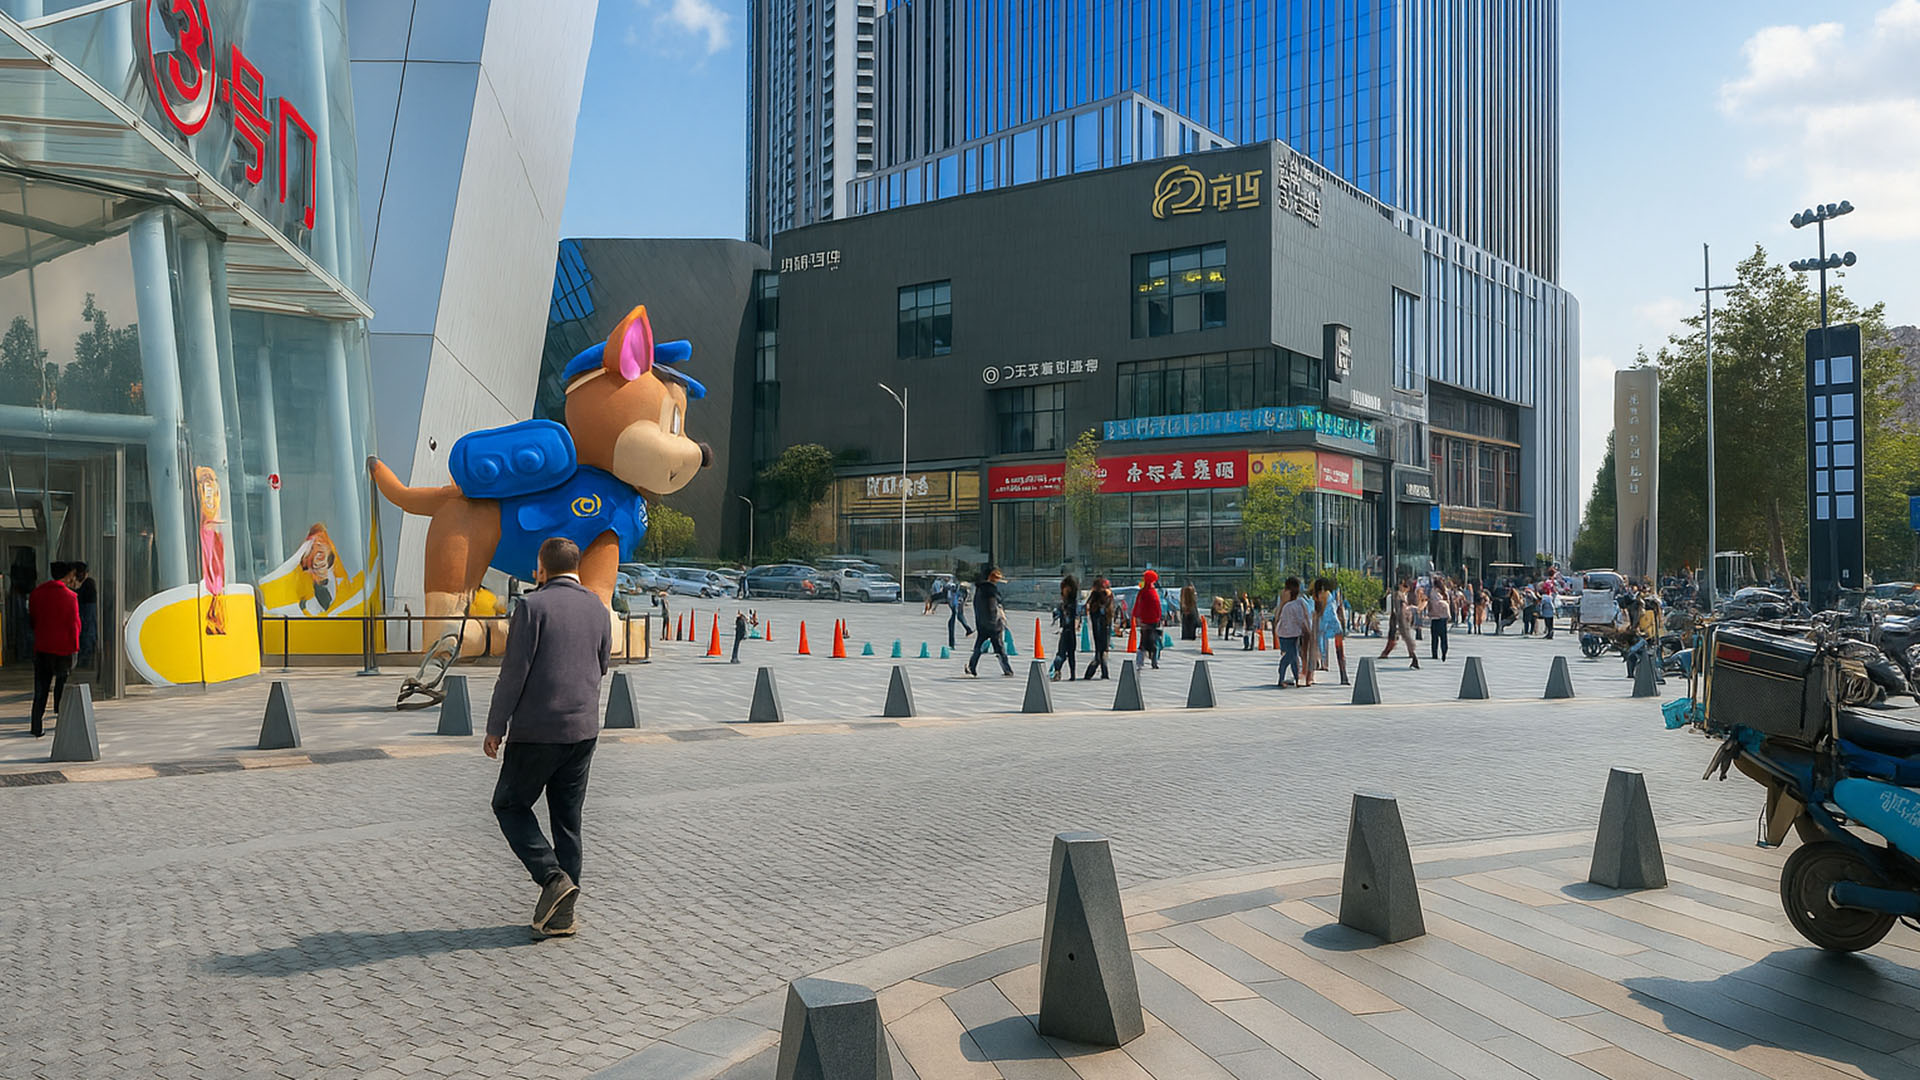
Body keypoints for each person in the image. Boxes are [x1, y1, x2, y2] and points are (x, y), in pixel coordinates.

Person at [484, 537, 611, 939]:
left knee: (509, 804)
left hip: (538, 730)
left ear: (541, 568)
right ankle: (563, 916)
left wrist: (495, 726)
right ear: (576, 567)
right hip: (583, 729)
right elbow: (602, 663)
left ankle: (552, 877)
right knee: (568, 820)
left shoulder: (532, 607)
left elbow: (513, 673)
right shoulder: (597, 607)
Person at [28, 562, 80, 738]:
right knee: (61, 685)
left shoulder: (37, 593)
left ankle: (36, 725)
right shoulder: (70, 597)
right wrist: (75, 647)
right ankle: (61, 719)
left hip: (42, 647)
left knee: (41, 689)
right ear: (68, 575)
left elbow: (33, 618)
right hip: (64, 648)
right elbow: (74, 625)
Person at [966, 566, 1013, 677]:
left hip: (981, 623)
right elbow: (996, 604)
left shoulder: (979, 589)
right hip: (994, 624)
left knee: (978, 647)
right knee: (1000, 648)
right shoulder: (991, 590)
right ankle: (1008, 670)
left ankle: (972, 667)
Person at [1274, 577, 1310, 687]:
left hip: (1293, 634)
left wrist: (1306, 629)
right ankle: (1282, 678)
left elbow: (1303, 617)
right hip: (1286, 634)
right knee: (1291, 656)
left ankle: (1296, 678)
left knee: (1293, 657)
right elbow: (1278, 618)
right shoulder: (1288, 604)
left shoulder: (1298, 603)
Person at [1378, 579, 1421, 668]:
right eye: (1405, 587)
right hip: (1399, 618)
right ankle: (1388, 652)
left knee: (1403, 637)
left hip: (1400, 619)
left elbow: (1399, 609)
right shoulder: (1398, 595)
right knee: (1400, 636)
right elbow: (1398, 608)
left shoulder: (1400, 595)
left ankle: (1413, 655)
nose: (1407, 589)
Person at [1316, 578, 1350, 685]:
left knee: (1321, 645)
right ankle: (1343, 674)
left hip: (1324, 624)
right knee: (1340, 652)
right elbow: (1338, 610)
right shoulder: (1330, 595)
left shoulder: (1319, 596)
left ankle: (1322, 664)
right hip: (1335, 624)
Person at [1050, 575, 1079, 681]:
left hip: (1067, 631)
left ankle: (1058, 671)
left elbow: (1068, 617)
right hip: (1070, 631)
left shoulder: (1067, 604)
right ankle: (1072, 674)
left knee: (1062, 653)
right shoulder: (1071, 602)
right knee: (1070, 654)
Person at [1132, 570, 1163, 670]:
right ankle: (1154, 661)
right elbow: (1158, 607)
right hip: (1153, 620)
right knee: (1152, 641)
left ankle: (1140, 661)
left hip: (1144, 620)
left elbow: (1138, 605)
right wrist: (1159, 618)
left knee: (1143, 641)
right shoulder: (1153, 592)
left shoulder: (1142, 592)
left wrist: (1136, 617)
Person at [1084, 578, 1113, 679]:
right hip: (1105, 626)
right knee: (1103, 651)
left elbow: (1088, 607)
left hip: (1098, 627)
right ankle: (1100, 673)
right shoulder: (1106, 598)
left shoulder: (1094, 599)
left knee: (1099, 651)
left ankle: (1093, 673)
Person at [73, 562, 98, 668]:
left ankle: (85, 657)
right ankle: (85, 657)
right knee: (87, 632)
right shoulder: (88, 583)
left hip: (85, 609)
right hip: (87, 609)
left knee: (86, 632)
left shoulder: (87, 583)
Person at [1427, 579, 1452, 661]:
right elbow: (1448, 602)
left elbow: (1431, 603)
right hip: (1443, 617)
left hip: (1435, 617)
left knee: (1434, 638)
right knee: (1443, 637)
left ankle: (1434, 654)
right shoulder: (1445, 592)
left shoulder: (1432, 592)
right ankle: (1444, 651)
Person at [946, 572, 973, 648]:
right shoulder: (955, 583)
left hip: (955, 603)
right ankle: (968, 630)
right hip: (955, 602)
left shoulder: (958, 585)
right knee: (957, 617)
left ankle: (952, 643)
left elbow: (951, 588)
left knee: (955, 618)